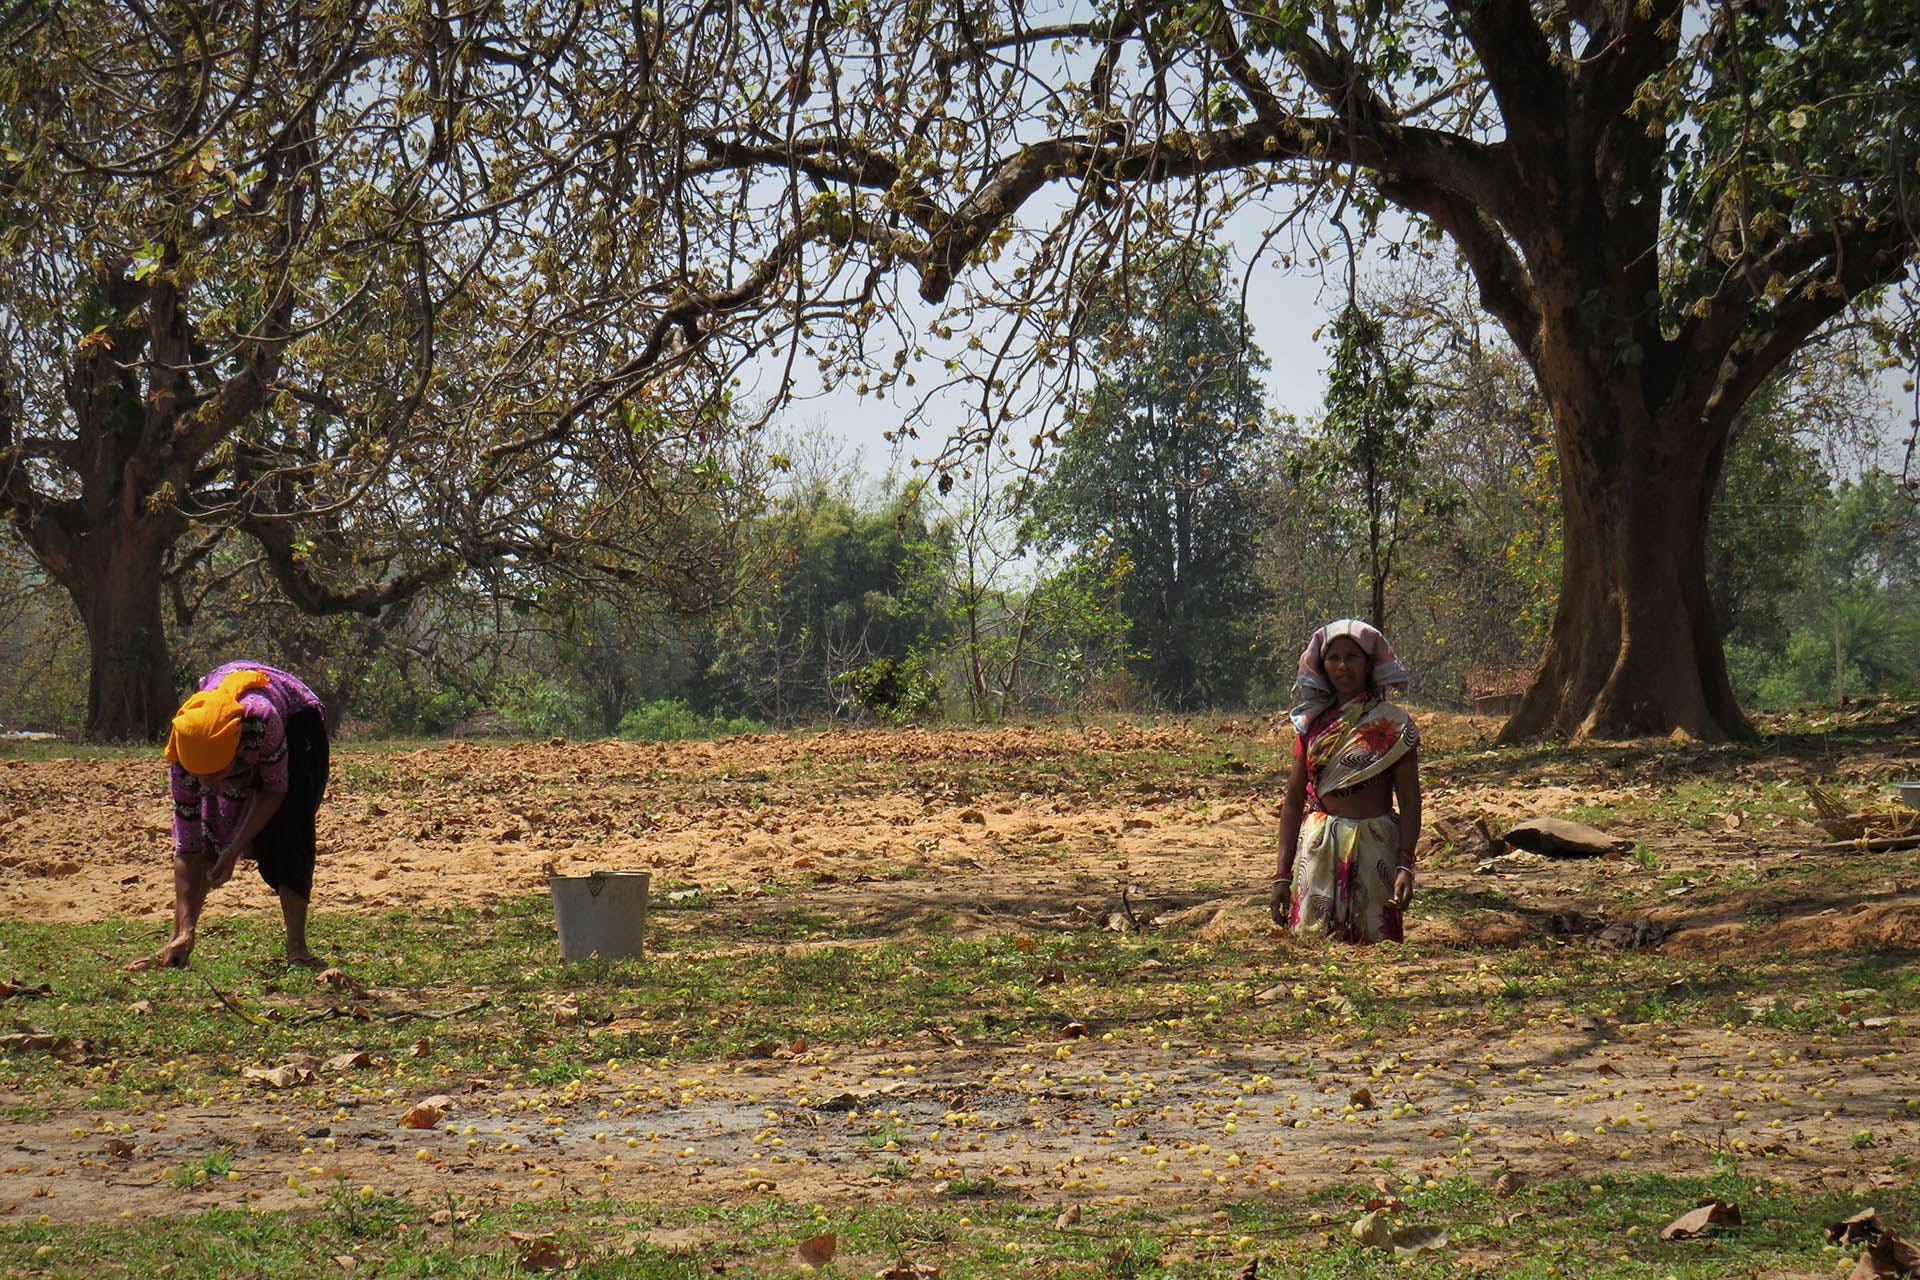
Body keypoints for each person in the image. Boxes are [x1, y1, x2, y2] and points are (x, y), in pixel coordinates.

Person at [128, 662, 330, 970]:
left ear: (236, 754)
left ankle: (297, 947)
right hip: (230, 729)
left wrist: (235, 848)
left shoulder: (262, 722)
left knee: (291, 827)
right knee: (211, 828)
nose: (206, 785)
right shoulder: (185, 753)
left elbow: (273, 790)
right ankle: (179, 940)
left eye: (214, 775)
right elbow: (187, 846)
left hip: (296, 718)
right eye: (200, 777)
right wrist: (185, 927)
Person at [1269, 619, 1421, 943]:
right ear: (1322, 666)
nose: (1342, 666)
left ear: (1369, 664)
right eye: (1333, 657)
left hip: (1375, 848)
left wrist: (1405, 866)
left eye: (1352, 657)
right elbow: (1293, 801)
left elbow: (1410, 802)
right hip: (1318, 848)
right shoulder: (1310, 727)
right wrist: (1281, 876)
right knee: (1313, 952)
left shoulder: (1393, 725)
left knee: (1376, 955)